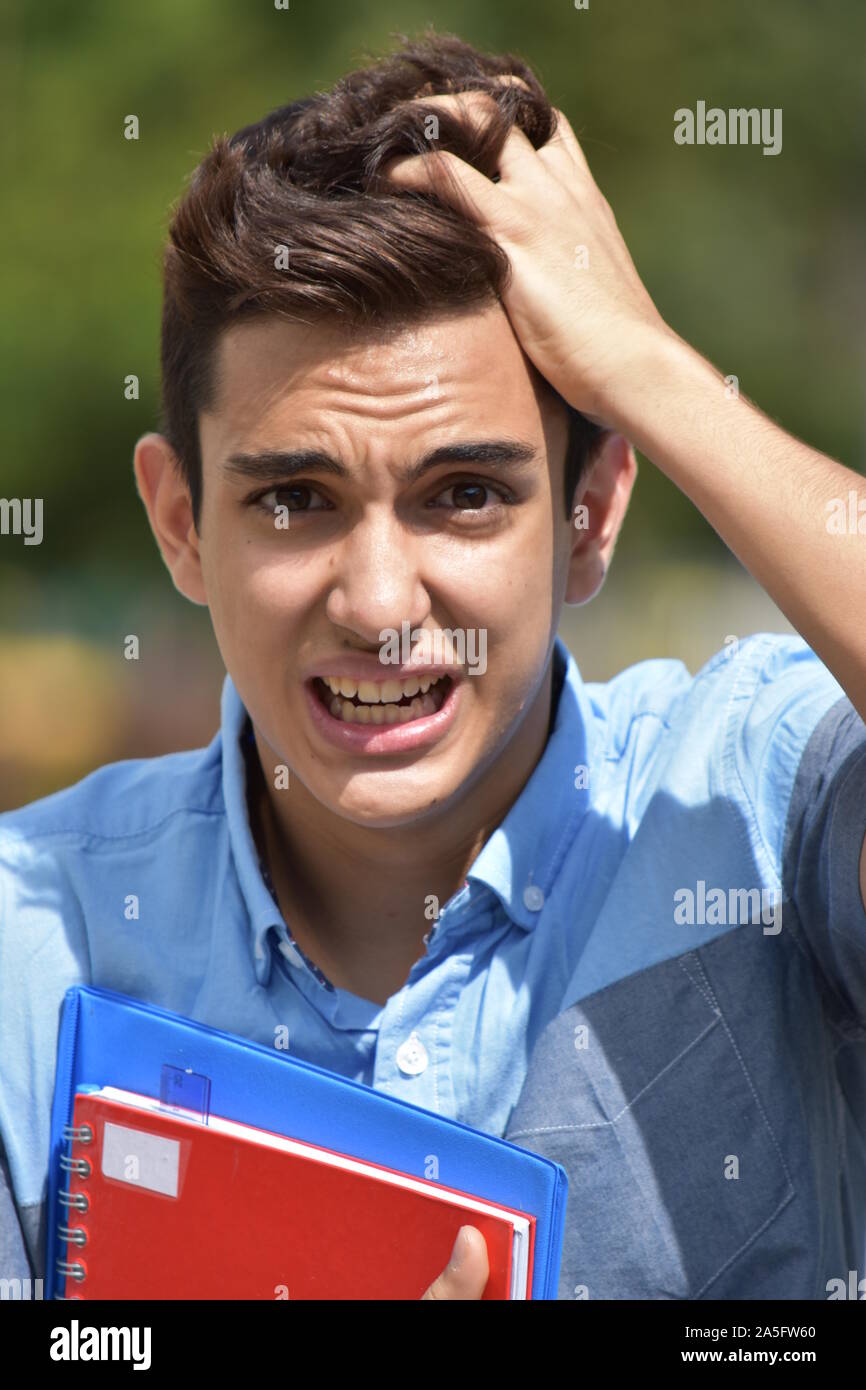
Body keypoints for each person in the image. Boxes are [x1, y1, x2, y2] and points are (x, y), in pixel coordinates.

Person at [2, 29, 865, 1301]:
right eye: (295, 498)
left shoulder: (750, 801)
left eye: (463, 493)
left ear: (590, 514)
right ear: (180, 522)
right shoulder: (33, 941)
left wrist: (643, 364)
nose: (379, 603)